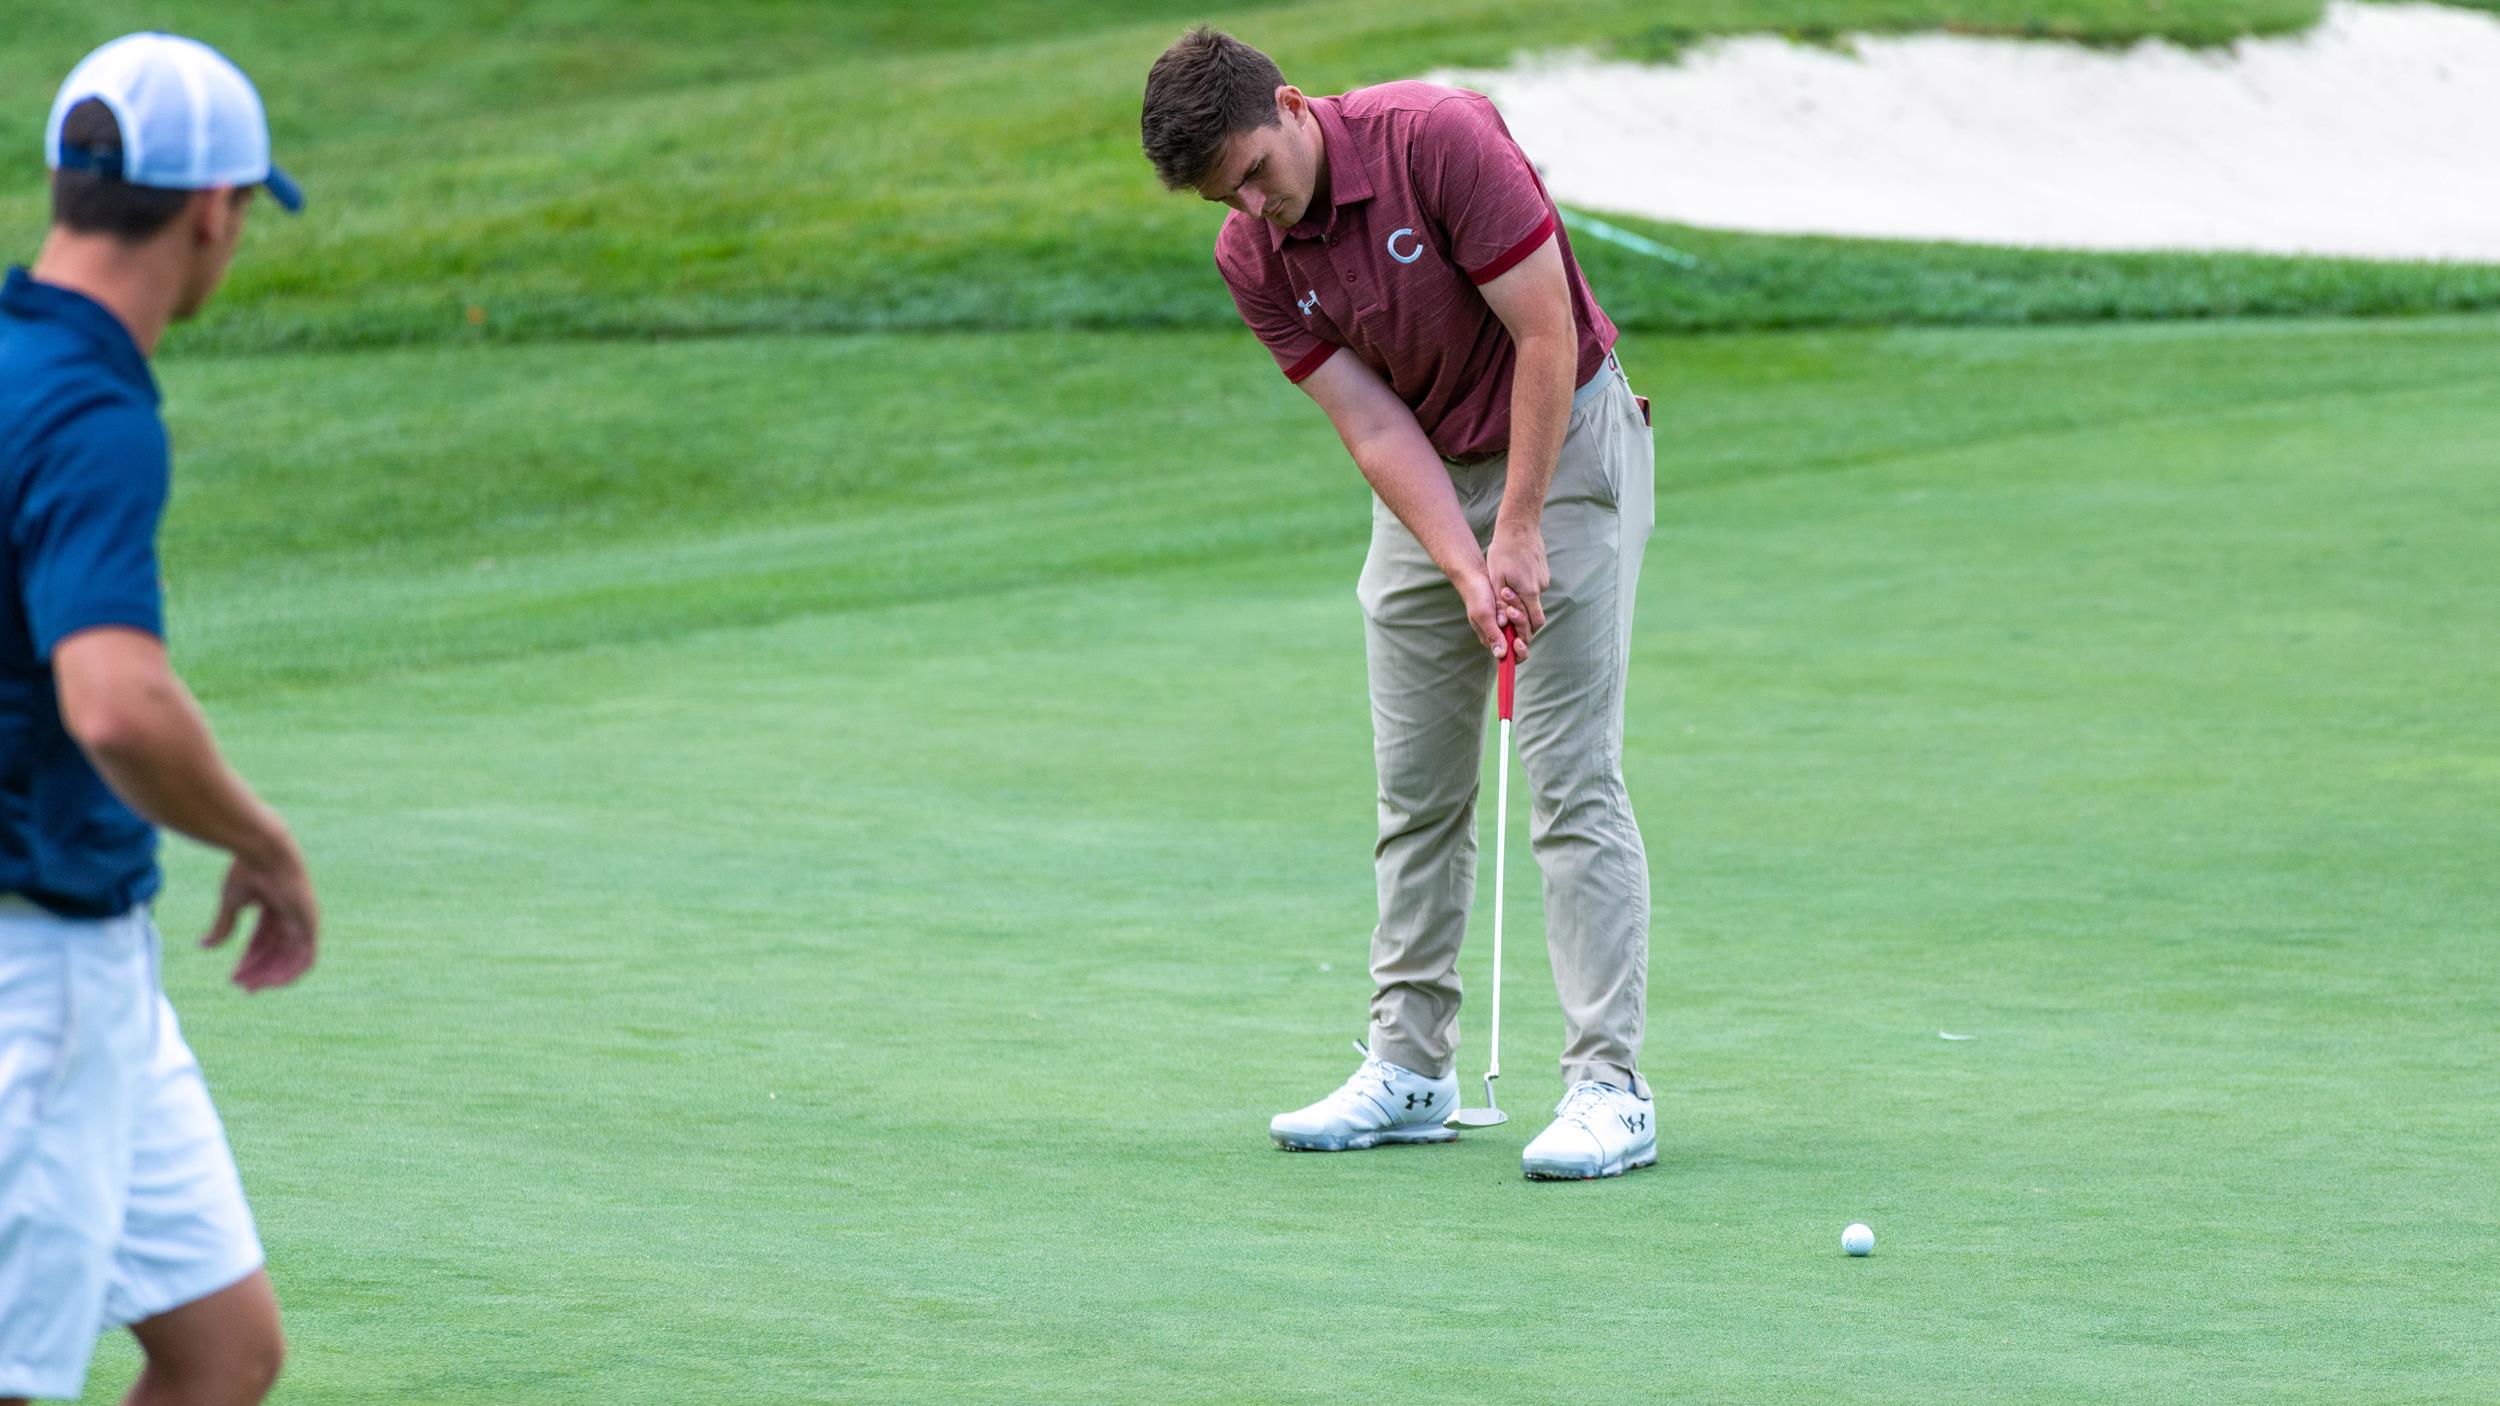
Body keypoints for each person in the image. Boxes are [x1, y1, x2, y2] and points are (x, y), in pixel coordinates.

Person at [1141, 29, 1660, 1179]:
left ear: (1289, 104)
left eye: (1256, 172)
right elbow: (1373, 426)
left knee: (1569, 777)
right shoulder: (1252, 254)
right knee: (1415, 787)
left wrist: (1518, 527)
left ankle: (1608, 1085)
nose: (1255, 208)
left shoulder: (1438, 141)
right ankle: (1410, 1066)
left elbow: (1545, 333)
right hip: (1429, 477)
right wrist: (1462, 561)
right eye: (1227, 196)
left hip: (1564, 442)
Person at [0, 33, 317, 1406]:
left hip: (98, 962)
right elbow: (117, 704)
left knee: (221, 1347)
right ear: (213, 210)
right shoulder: (90, 413)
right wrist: (260, 837)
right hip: (33, 964)